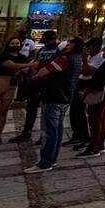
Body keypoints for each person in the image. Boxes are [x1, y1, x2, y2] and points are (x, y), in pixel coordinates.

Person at [24, 36, 83, 172]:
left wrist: (37, 76)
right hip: (65, 97)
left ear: (72, 46)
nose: (66, 43)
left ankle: (45, 162)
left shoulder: (64, 58)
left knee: (49, 131)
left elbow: (46, 70)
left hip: (54, 97)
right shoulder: (77, 58)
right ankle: (52, 159)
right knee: (57, 129)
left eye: (69, 42)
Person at [10, 30, 62, 142]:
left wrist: (38, 76)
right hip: (35, 82)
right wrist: (31, 75)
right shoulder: (42, 49)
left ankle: (44, 135)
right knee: (31, 108)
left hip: (48, 83)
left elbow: (54, 67)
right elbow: (35, 63)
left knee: (46, 111)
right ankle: (27, 131)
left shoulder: (58, 50)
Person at [69, 37, 102, 149]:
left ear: (97, 47)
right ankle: (76, 135)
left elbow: (88, 72)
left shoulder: (100, 57)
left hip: (88, 85)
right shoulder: (89, 56)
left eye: (90, 46)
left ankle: (85, 137)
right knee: (74, 111)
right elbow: (83, 71)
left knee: (80, 111)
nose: (87, 48)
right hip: (81, 81)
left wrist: (84, 60)